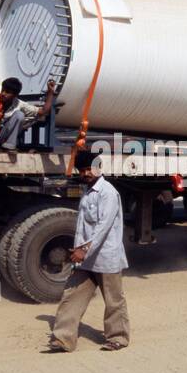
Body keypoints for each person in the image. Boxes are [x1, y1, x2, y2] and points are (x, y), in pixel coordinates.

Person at [47, 149, 130, 353]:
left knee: (113, 299)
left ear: (98, 168)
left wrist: (84, 249)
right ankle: (63, 339)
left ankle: (118, 337)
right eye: (82, 170)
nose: (86, 173)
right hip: (85, 258)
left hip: (105, 256)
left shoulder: (108, 192)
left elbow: (103, 226)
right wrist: (78, 249)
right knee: (72, 295)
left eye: (89, 169)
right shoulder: (88, 191)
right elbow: (84, 226)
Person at [0, 77, 57, 150]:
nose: (3, 94)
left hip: (0, 138)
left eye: (8, 92)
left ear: (15, 95)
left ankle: (9, 146)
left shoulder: (19, 104)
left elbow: (43, 111)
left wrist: (50, 92)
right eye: (3, 90)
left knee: (19, 115)